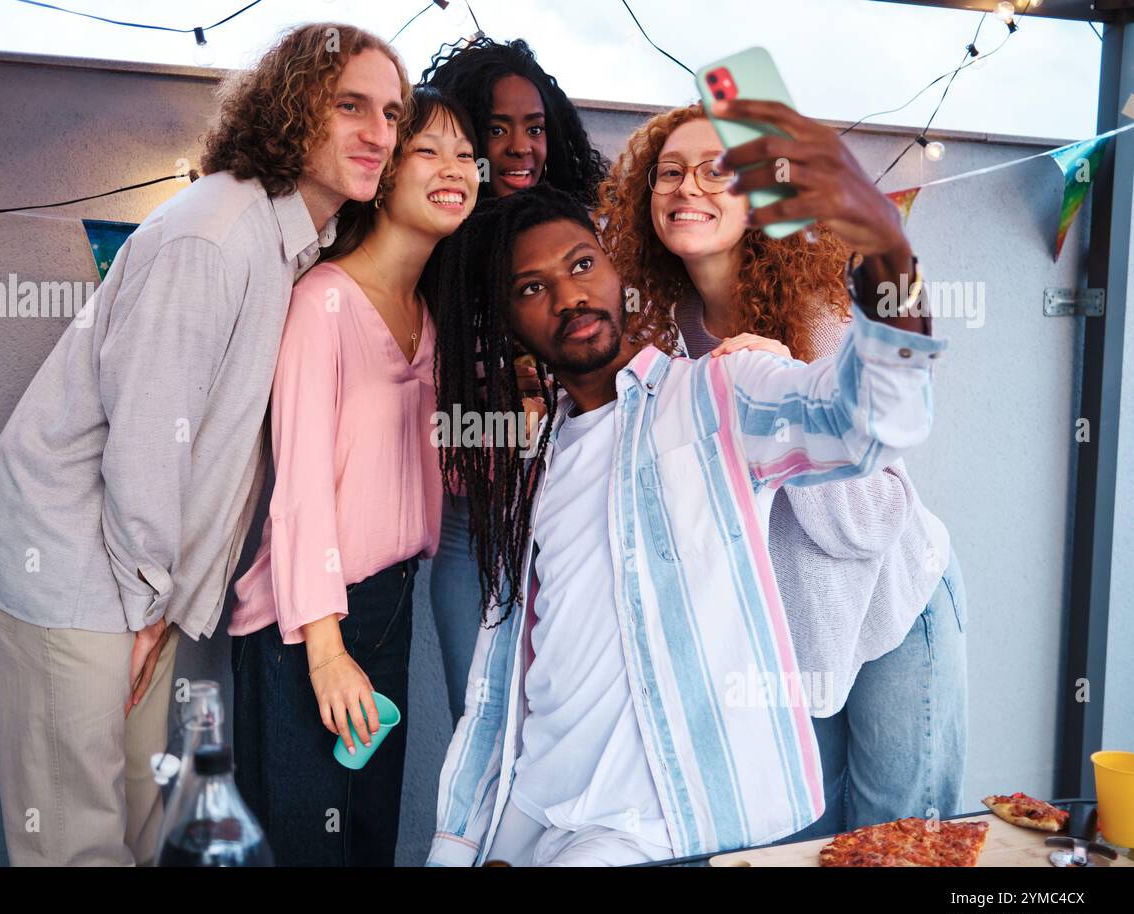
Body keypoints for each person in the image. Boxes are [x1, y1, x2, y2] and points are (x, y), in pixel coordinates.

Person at [427, 97, 945, 866]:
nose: (568, 295)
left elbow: (871, 422)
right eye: (532, 288)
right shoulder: (539, 461)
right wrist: (458, 844)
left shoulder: (725, 384)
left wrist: (883, 243)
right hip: (531, 801)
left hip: (890, 602)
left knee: (895, 838)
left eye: (579, 266)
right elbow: (498, 688)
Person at [0, 22, 409, 866]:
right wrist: (145, 606)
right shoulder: (215, 237)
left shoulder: (292, 241)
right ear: (291, 106)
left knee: (132, 818)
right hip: (71, 573)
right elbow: (146, 446)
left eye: (390, 111)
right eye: (351, 105)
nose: (380, 133)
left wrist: (152, 607)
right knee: (73, 844)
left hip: (131, 583)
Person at [597, 102, 967, 835]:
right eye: (668, 172)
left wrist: (785, 384)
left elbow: (869, 519)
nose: (686, 187)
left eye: (716, 170)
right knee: (802, 840)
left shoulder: (827, 308)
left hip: (894, 604)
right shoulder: (660, 337)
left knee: (901, 838)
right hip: (787, 636)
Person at [227, 87, 480, 867]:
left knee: (367, 847)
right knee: (311, 854)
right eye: (429, 150)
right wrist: (327, 650)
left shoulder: (429, 314)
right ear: (386, 171)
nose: (456, 169)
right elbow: (298, 491)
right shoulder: (322, 303)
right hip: (305, 624)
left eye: (467, 156)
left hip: (390, 605)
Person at [420, 37, 608, 729]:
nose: (520, 146)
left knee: (566, 740)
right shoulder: (436, 245)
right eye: (497, 129)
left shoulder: (575, 238)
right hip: (474, 536)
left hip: (570, 535)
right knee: (482, 734)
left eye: (533, 127)